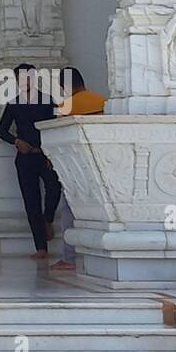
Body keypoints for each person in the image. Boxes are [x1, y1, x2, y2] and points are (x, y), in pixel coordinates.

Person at [0, 63, 61, 260]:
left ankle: (48, 219)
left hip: (45, 156)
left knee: (54, 188)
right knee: (31, 202)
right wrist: (16, 141)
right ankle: (40, 247)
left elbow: (57, 128)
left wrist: (51, 153)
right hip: (25, 157)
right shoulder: (14, 104)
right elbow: (1, 131)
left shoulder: (48, 101)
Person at [49, 67, 106, 272]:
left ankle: (69, 257)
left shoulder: (66, 106)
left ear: (64, 86)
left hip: (75, 168)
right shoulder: (101, 101)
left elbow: (57, 139)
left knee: (69, 211)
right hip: (103, 165)